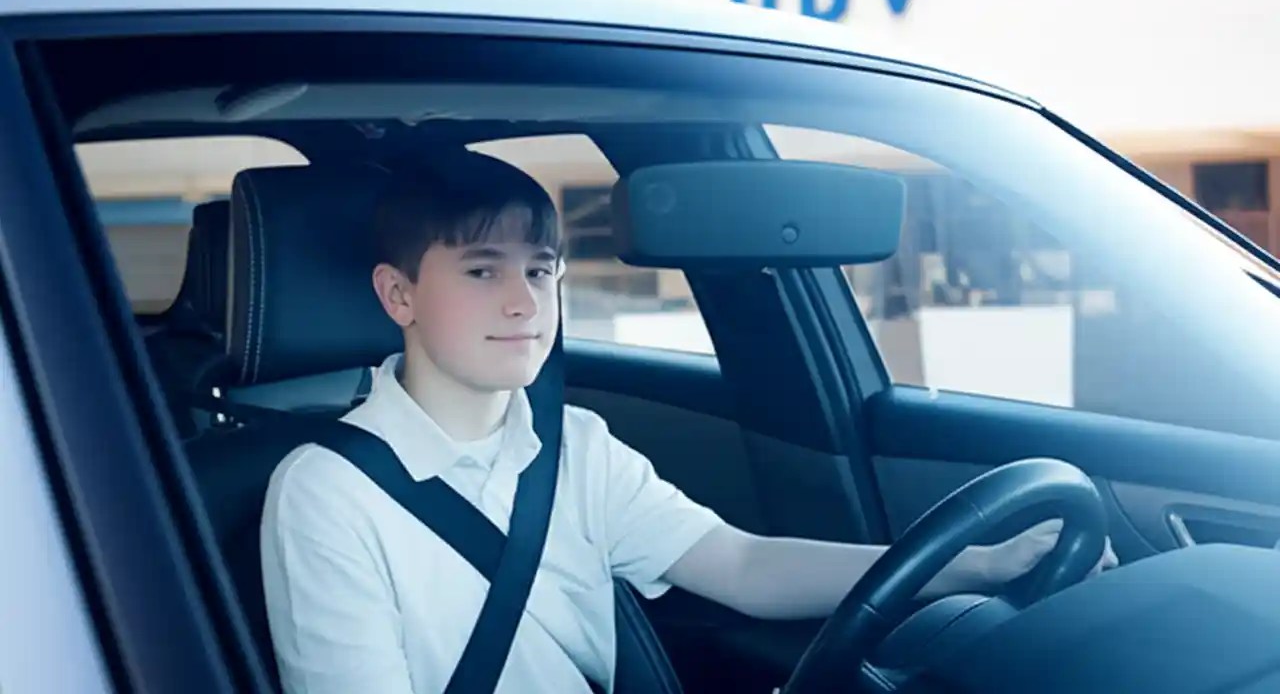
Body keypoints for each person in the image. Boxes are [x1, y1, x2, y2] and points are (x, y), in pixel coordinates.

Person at [259, 153, 1116, 694]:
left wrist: (978, 565)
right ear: (398, 294)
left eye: (541, 269)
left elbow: (740, 565)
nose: (525, 301)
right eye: (482, 270)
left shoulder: (574, 447)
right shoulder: (326, 494)